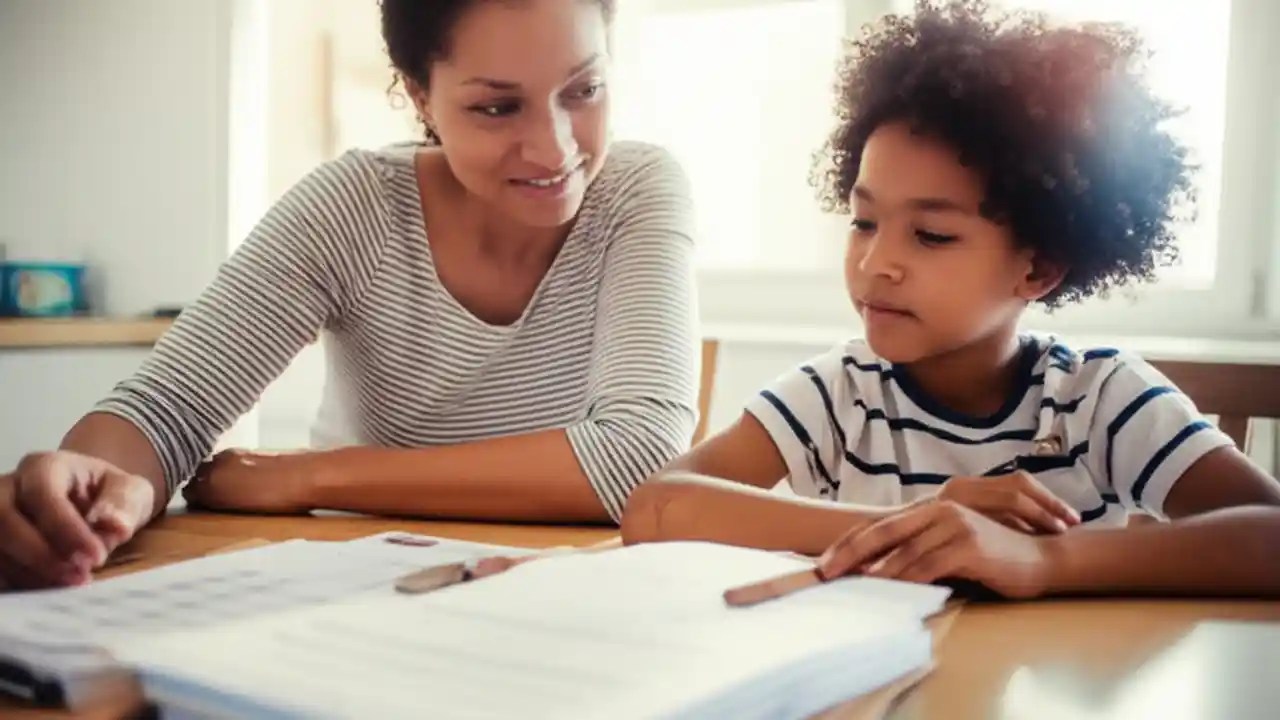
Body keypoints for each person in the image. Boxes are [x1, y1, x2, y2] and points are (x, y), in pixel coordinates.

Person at [0, 0, 699, 591]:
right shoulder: (353, 208)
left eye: (584, 90)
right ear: (419, 94)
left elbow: (637, 456)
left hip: (558, 591)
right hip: (361, 592)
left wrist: (315, 478)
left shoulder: (637, 191)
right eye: (496, 106)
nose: (554, 149)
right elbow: (168, 410)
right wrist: (92, 482)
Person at [620, 0, 1280, 598]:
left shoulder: (1098, 401)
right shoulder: (837, 397)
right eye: (863, 222)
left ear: (1039, 268)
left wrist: (1045, 561)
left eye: (931, 235)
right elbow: (659, 506)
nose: (876, 263)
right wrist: (909, 525)